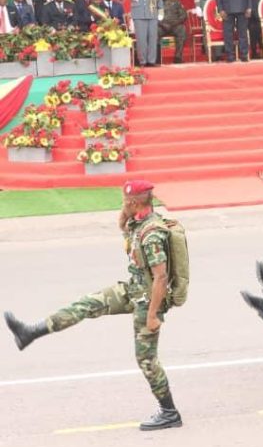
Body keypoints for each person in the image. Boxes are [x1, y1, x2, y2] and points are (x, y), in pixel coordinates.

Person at [4, 180, 185, 431]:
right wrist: (126, 214)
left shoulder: (152, 234)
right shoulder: (139, 222)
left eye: (125, 201)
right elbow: (124, 228)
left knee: (146, 359)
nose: (122, 204)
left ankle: (169, 412)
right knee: (86, 304)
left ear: (134, 202)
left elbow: (161, 278)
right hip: (133, 290)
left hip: (148, 300)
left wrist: (153, 315)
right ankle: (31, 332)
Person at [155, 0, 187, 64]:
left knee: (182, 29)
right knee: (154, 31)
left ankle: (178, 56)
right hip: (161, 26)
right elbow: (152, 17)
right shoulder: (154, 3)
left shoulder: (174, 1)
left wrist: (174, 24)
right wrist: (162, 24)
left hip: (174, 26)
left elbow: (184, 15)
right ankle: (156, 58)